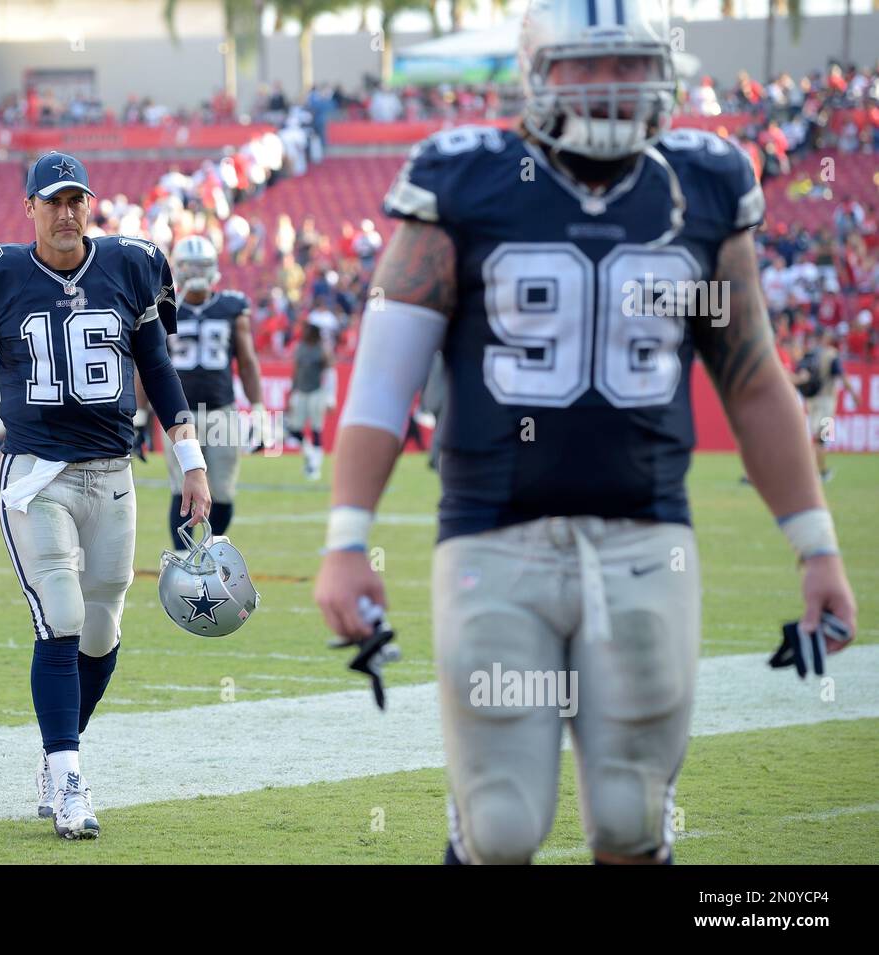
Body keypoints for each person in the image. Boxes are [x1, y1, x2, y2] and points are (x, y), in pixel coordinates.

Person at [314, 0, 857, 865]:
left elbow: (754, 378)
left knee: (633, 816)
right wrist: (347, 539)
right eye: (588, 64)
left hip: (648, 540)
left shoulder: (704, 181)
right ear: (539, 72)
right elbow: (385, 376)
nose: (614, 84)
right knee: (499, 825)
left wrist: (816, 545)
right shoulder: (463, 178)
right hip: (495, 537)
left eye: (631, 63)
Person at [0, 152, 211, 840]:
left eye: (76, 201)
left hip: (113, 470)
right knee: (59, 615)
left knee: (103, 627)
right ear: (29, 206)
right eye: (52, 201)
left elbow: (158, 368)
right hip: (36, 474)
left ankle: (60, 749)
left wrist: (192, 461)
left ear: (90, 205)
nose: (66, 214)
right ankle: (68, 776)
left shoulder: (129, 264)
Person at [163, 234, 265, 547]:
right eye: (189, 266)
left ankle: (212, 551)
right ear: (177, 269)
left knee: (221, 490)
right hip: (178, 415)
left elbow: (247, 361)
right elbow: (148, 367)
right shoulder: (161, 309)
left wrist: (258, 409)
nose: (195, 273)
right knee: (183, 490)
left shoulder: (231, 306)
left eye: (201, 266)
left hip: (221, 410)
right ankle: (184, 557)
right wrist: (139, 415)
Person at [794, 328, 861, 481]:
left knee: (817, 437)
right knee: (822, 439)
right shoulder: (831, 354)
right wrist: (854, 394)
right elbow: (841, 375)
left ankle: (815, 471)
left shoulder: (808, 353)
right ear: (825, 338)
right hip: (827, 401)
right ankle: (821, 472)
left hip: (811, 401)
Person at [286, 321, 332, 480]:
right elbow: (296, 372)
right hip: (302, 392)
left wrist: (330, 396)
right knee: (294, 428)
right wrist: (292, 393)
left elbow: (330, 373)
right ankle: (310, 454)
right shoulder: (300, 348)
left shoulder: (322, 350)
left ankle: (316, 466)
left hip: (317, 392)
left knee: (316, 428)